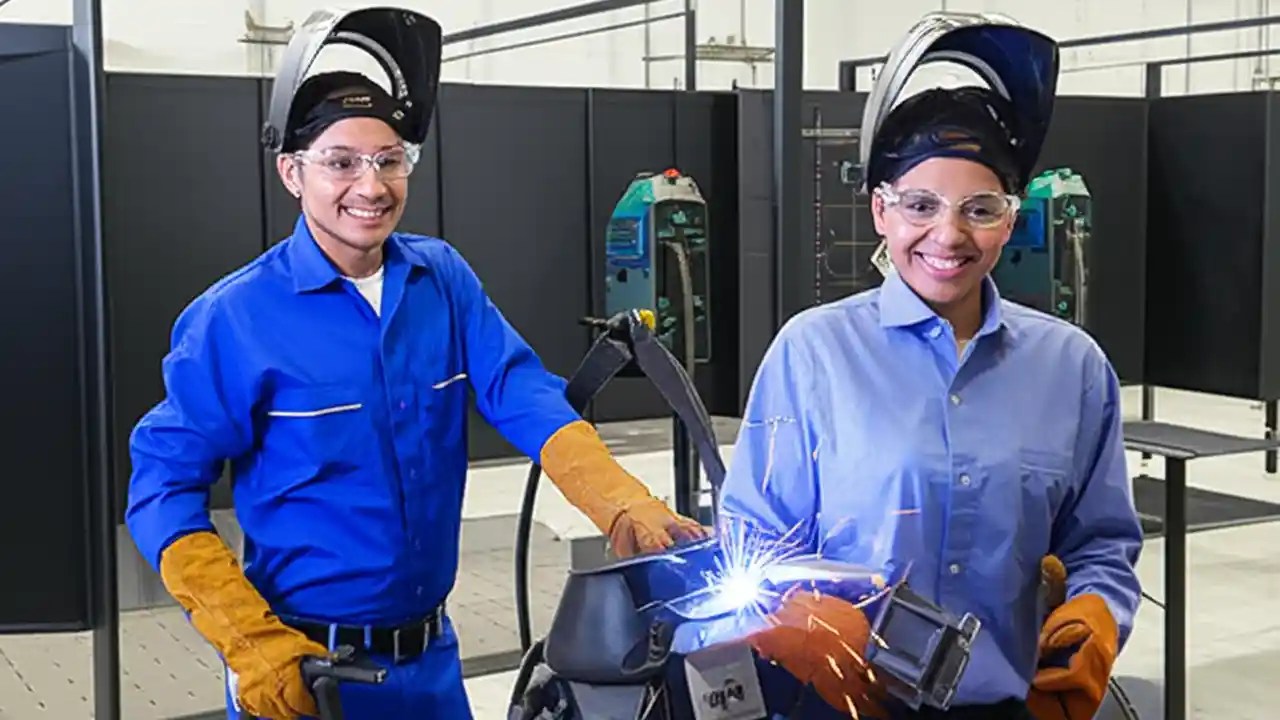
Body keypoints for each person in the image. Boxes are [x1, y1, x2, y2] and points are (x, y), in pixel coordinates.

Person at [124, 68, 705, 720]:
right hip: (305, 674)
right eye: (341, 162)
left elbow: (518, 388)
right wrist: (246, 640)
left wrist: (619, 501)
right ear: (292, 173)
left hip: (431, 665)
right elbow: (160, 489)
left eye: (389, 160)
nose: (370, 186)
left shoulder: (442, 280)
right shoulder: (235, 319)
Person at [724, 83, 1143, 718]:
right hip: (837, 702)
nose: (948, 236)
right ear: (880, 212)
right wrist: (792, 617)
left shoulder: (1072, 367)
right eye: (920, 205)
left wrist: (1097, 612)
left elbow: (1102, 545)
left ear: (1010, 217)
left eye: (979, 209)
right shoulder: (814, 352)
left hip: (1012, 705)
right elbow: (751, 538)